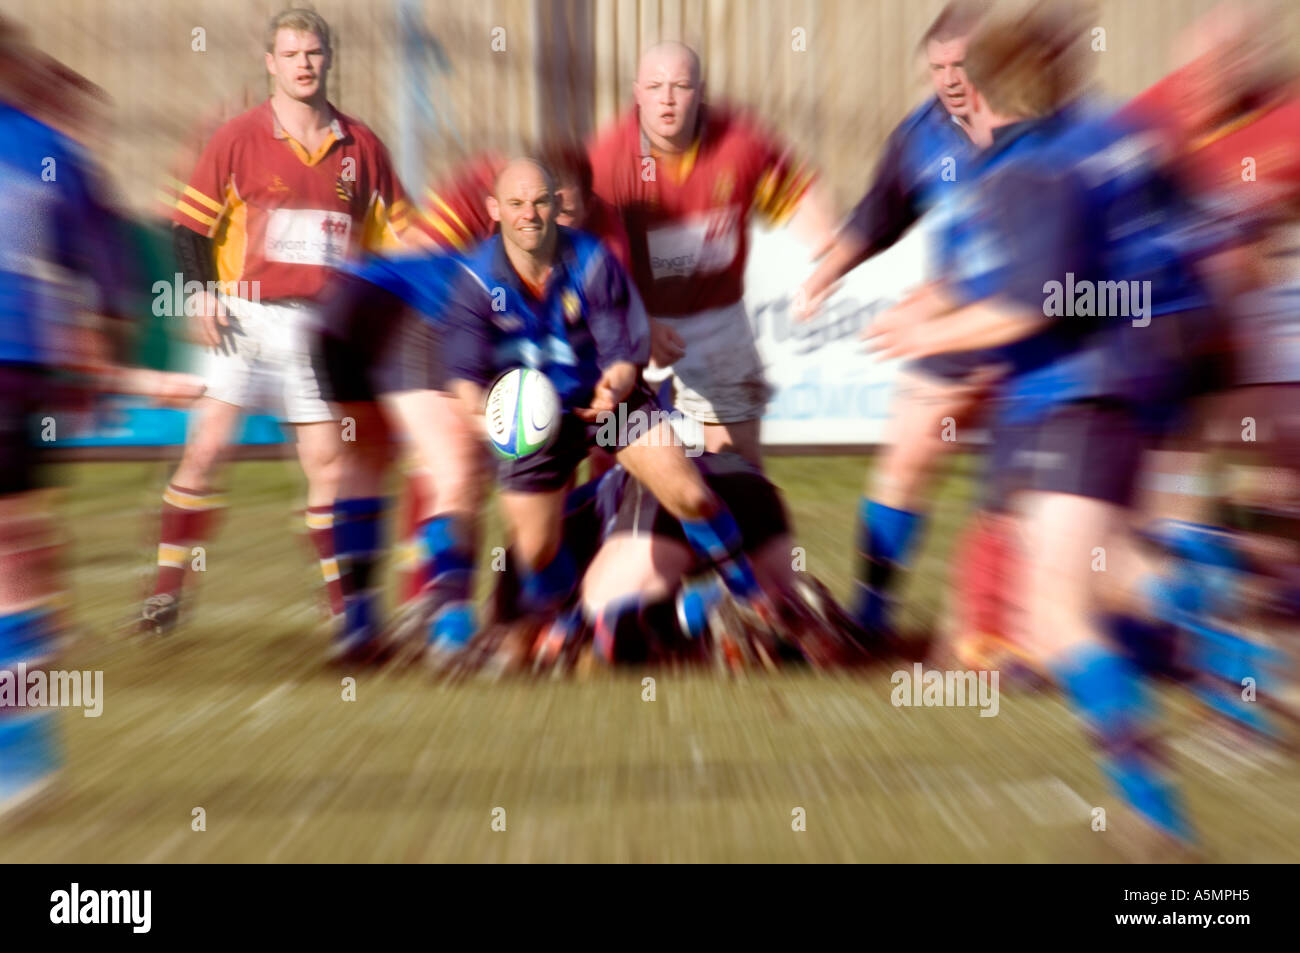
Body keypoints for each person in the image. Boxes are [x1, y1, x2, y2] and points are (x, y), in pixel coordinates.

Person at [439, 157, 776, 666]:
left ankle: (751, 601)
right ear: (494, 210)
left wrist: (613, 386)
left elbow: (621, 353)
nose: (529, 214)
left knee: (689, 493)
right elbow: (463, 378)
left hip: (609, 403)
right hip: (533, 424)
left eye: (539, 202)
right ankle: (571, 622)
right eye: (515, 204)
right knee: (534, 551)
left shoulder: (592, 260)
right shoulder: (473, 281)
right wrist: (489, 420)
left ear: (556, 206)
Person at [142, 8, 414, 635]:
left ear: (328, 59)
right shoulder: (238, 137)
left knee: (328, 463)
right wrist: (201, 293)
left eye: (313, 53)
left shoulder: (363, 146)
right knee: (206, 449)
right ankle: (164, 596)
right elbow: (189, 226)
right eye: (291, 54)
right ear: (271, 62)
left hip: (319, 328)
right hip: (243, 317)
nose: (303, 64)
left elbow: (405, 235)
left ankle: (345, 606)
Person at [794, 0, 992, 646]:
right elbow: (878, 217)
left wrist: (944, 294)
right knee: (904, 460)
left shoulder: (1034, 127)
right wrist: (825, 274)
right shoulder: (919, 137)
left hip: (1034, 331)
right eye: (938, 67)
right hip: (955, 332)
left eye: (961, 63)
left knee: (1027, 493)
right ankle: (872, 615)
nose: (950, 78)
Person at [587, 41, 834, 468]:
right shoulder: (611, 159)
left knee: (736, 465)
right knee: (616, 460)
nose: (667, 98)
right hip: (631, 319)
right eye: (655, 86)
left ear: (701, 92)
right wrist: (639, 326)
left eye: (681, 86)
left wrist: (829, 261)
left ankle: (744, 528)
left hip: (715, 318)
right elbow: (593, 266)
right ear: (636, 93)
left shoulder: (740, 143)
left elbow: (798, 198)